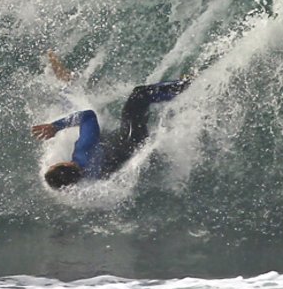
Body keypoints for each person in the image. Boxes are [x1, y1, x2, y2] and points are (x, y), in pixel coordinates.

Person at [31, 52, 191, 189]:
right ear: (66, 164)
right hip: (131, 140)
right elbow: (88, 116)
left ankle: (63, 79)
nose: (54, 162)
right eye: (55, 165)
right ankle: (187, 84)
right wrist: (56, 126)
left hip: (125, 153)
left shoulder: (88, 180)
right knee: (139, 95)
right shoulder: (83, 152)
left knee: (70, 96)